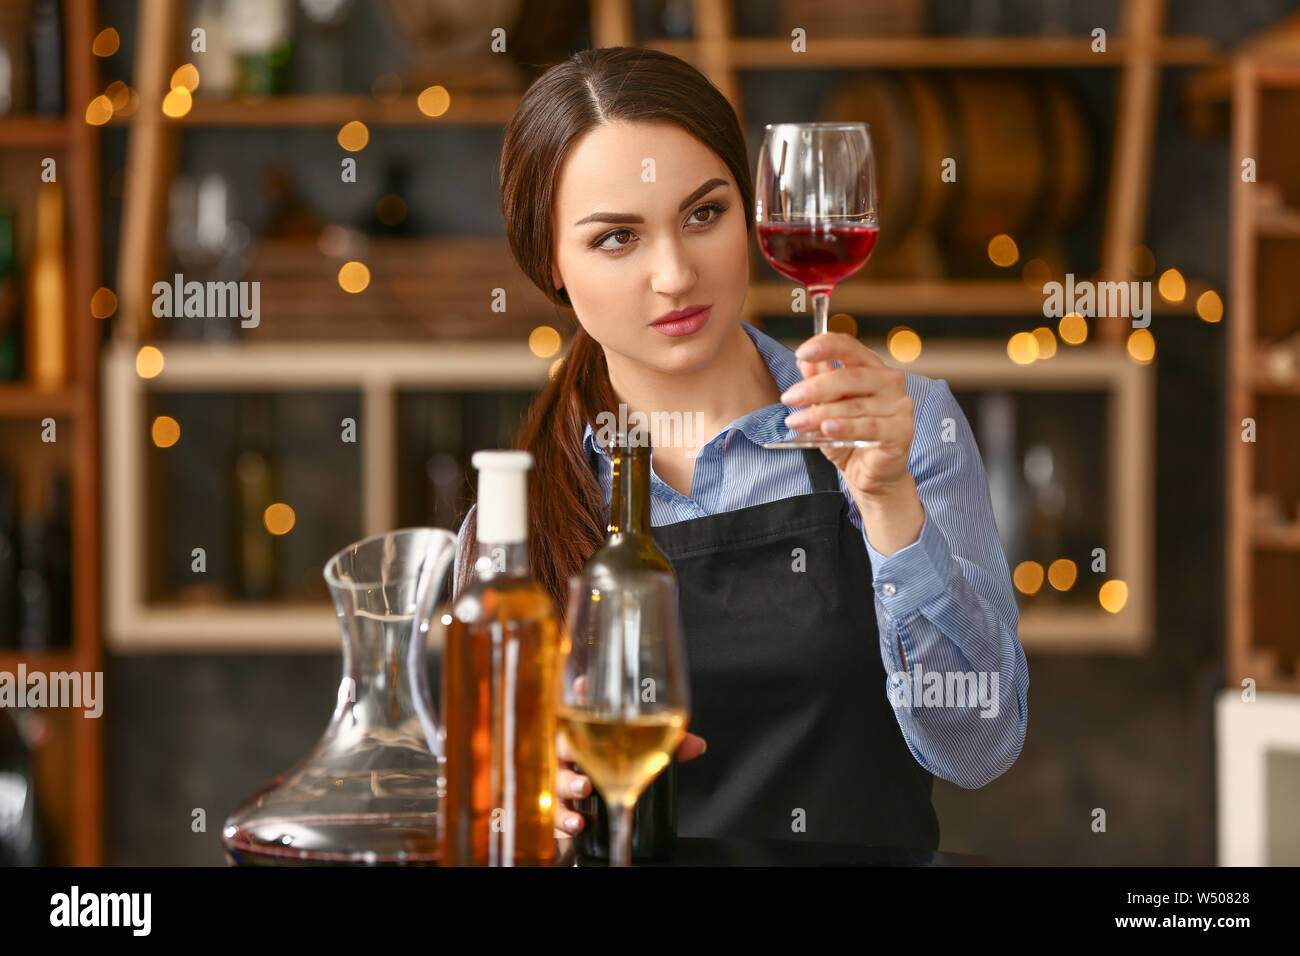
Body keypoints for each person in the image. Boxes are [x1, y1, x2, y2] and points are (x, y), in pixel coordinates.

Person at [452, 46, 1028, 850]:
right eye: (616, 238)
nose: (675, 274)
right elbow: (473, 805)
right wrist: (519, 788)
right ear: (549, 263)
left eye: (703, 214)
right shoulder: (519, 514)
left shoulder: (904, 424)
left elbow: (982, 744)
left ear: (753, 216)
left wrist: (891, 504)